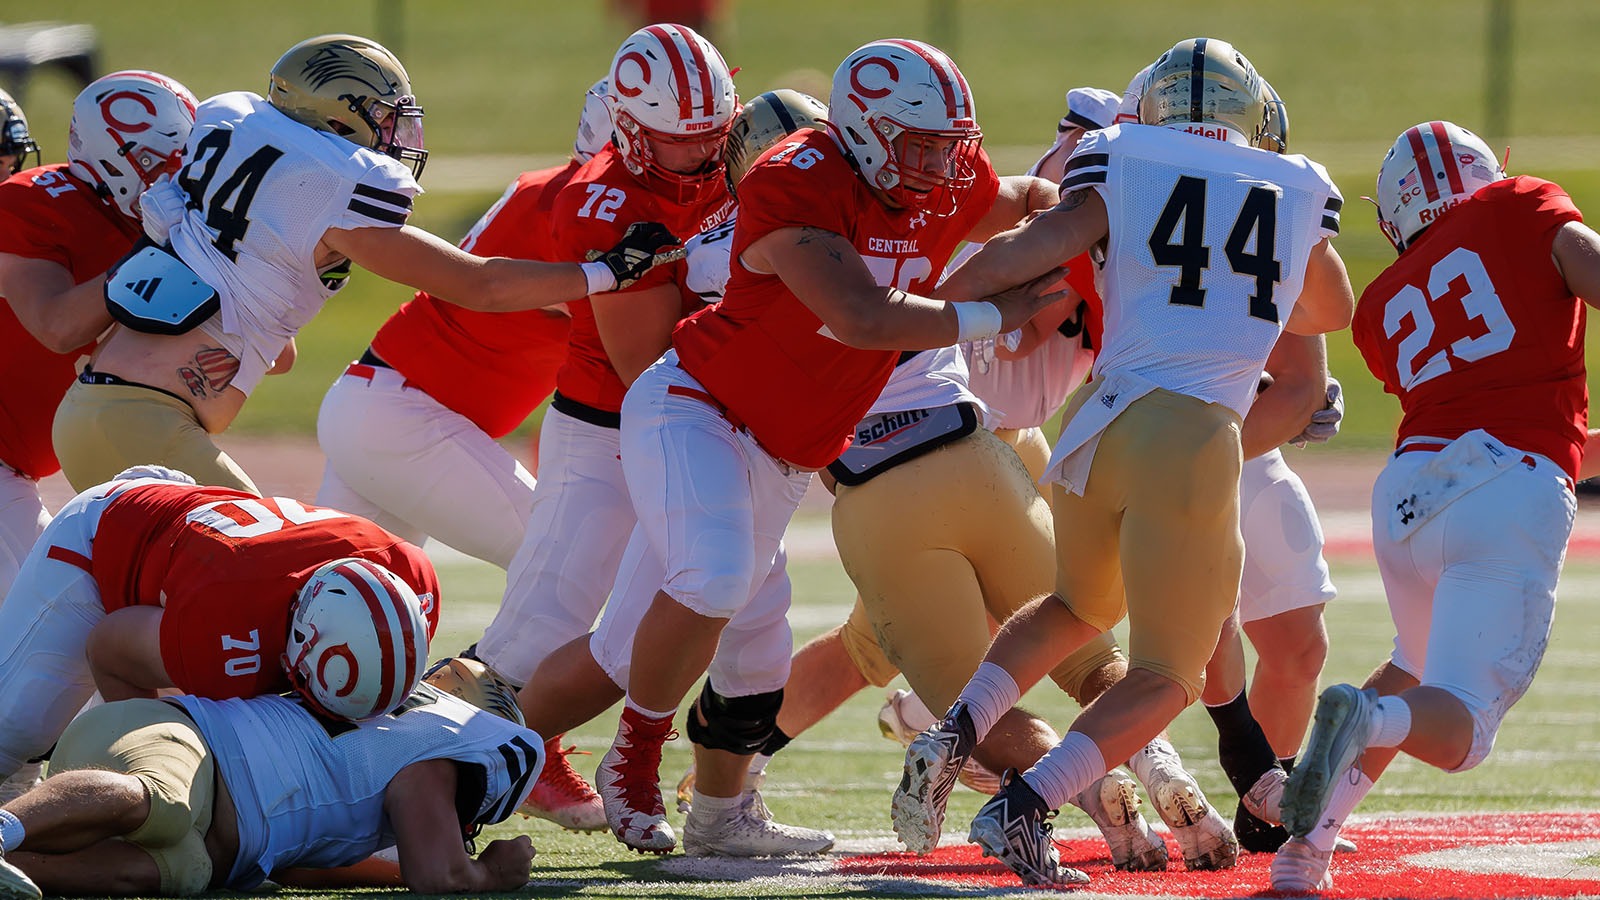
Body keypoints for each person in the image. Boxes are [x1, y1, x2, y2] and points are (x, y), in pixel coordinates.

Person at [893, 37, 1353, 887]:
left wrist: (923, 308)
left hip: (1097, 422)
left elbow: (1033, 246)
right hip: (1192, 432)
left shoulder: (1119, 153)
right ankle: (1022, 805)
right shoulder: (1293, 183)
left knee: (1075, 604)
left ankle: (953, 731)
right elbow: (1331, 306)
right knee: (1169, 674)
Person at [593, 37, 1062, 857]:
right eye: (923, 145)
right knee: (711, 577)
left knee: (760, 650)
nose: (942, 165)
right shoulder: (794, 180)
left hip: (789, 445)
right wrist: (996, 314)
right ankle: (632, 756)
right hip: (699, 406)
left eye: (951, 146)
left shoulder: (929, 180)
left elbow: (1010, 197)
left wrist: (1084, 198)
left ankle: (719, 816)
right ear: (869, 133)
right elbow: (865, 318)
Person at [51, 33, 678, 494]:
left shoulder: (239, 136)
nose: (395, 134)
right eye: (382, 117)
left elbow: (244, 298)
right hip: (144, 423)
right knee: (261, 584)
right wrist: (608, 272)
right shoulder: (330, 182)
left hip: (93, 410)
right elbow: (477, 284)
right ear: (336, 116)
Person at [1270, 121, 1600, 893]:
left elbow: (1504, 421)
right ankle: (1367, 720)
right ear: (1486, 174)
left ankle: (1305, 849)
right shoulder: (1521, 206)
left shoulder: (1383, 306)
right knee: (1463, 731)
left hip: (1410, 497)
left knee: (1411, 667)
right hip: (1506, 488)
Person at [471, 23, 738, 833]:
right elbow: (646, 365)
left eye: (713, 136)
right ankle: (411, 772)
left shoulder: (734, 162)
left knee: (717, 610)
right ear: (627, 126)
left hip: (711, 430)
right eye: (678, 140)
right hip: (611, 430)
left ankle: (727, 802)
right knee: (538, 632)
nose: (701, 155)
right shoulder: (605, 199)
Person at [315, 77, 614, 569]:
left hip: (385, 408)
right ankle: (492, 654)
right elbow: (633, 325)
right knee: (561, 558)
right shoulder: (568, 206)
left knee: (353, 603)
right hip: (405, 417)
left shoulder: (559, 192)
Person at [0, 470, 441, 785]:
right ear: (298, 641)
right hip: (104, 537)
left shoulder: (413, 584)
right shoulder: (227, 633)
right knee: (15, 732)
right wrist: (145, 763)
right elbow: (111, 650)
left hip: (194, 535)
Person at [0, 653, 541, 897]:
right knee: (166, 806)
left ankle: (20, 867)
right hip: (172, 737)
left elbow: (297, 869)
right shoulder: (433, 752)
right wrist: (491, 872)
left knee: (181, 871)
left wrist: (402, 869)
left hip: (203, 817)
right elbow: (439, 877)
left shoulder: (386, 751)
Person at [0, 73, 191, 591]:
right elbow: (57, 326)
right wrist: (152, 254)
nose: (172, 175)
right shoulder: (31, 200)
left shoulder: (154, 221)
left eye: (183, 158)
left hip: (15, 469)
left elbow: (277, 354)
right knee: (35, 621)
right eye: (156, 160)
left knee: (53, 621)